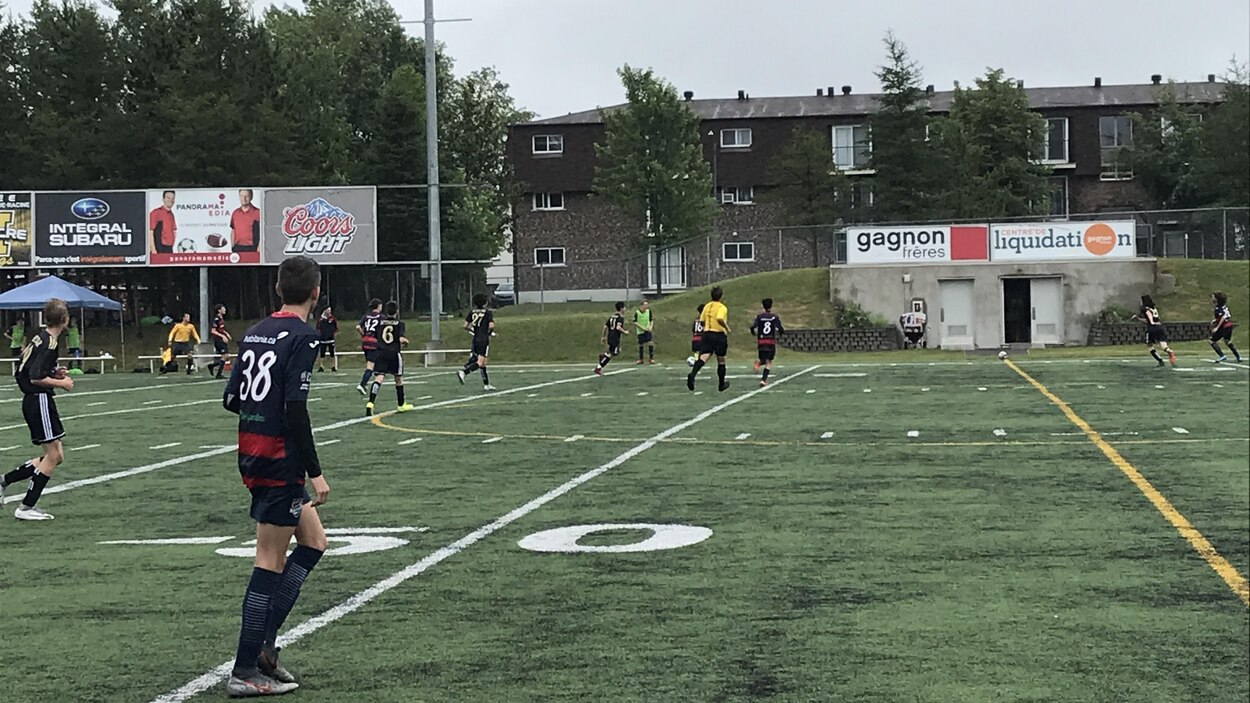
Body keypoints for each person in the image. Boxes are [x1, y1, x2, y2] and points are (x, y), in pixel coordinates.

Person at [222, 255, 330, 697]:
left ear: (277, 289)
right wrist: (315, 473)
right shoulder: (305, 337)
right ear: (316, 293)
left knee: (314, 542)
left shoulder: (254, 332)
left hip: (252, 449)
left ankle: (264, 648)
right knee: (269, 560)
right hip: (278, 457)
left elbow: (231, 398)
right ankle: (246, 666)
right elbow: (294, 408)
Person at [0, 298, 74, 521]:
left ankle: (4, 480)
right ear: (64, 320)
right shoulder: (49, 342)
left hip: (36, 399)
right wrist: (61, 383)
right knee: (52, 455)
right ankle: (26, 507)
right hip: (38, 399)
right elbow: (35, 376)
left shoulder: (39, 338)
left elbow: (28, 367)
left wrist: (54, 372)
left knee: (56, 455)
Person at [365, 301, 414, 416]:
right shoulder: (399, 323)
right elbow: (401, 339)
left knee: (379, 377)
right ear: (397, 311)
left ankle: (370, 403)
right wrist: (406, 342)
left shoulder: (380, 323)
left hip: (381, 352)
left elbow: (376, 336)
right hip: (393, 353)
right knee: (398, 378)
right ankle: (401, 404)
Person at [688, 286, 730, 392]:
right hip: (719, 334)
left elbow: (702, 321)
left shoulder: (707, 306)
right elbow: (720, 318)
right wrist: (726, 327)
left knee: (704, 356)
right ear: (721, 296)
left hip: (707, 334)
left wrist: (707, 326)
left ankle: (693, 374)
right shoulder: (722, 307)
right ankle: (721, 384)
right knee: (721, 360)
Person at [457, 294, 496, 391]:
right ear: (485, 302)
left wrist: (474, 330)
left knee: (483, 363)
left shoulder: (472, 312)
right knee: (480, 362)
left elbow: (465, 325)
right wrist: (489, 333)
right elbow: (491, 325)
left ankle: (486, 384)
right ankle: (464, 372)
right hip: (483, 339)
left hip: (476, 338)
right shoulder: (487, 313)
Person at [1132, 294, 1176, 368]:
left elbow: (1149, 317)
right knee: (1163, 345)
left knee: (1149, 345)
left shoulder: (1145, 308)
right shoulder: (1154, 308)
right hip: (1160, 327)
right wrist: (1138, 319)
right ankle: (1169, 351)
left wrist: (1152, 322)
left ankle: (1160, 361)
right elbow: (1148, 320)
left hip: (1152, 328)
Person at [751, 298, 784, 387]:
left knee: (763, 359)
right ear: (771, 305)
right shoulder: (774, 317)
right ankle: (763, 380)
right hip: (770, 341)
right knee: (769, 361)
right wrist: (781, 333)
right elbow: (780, 328)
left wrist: (753, 333)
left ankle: (758, 364)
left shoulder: (760, 317)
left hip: (761, 341)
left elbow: (752, 326)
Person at [355, 299, 383, 395]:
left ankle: (367, 380)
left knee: (371, 363)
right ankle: (362, 384)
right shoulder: (381, 317)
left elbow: (358, 327)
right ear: (378, 306)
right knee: (370, 366)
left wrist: (363, 335)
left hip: (365, 342)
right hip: (374, 343)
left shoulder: (366, 316)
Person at [594, 302, 629, 375]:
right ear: (621, 308)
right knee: (612, 353)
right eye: (624, 307)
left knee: (615, 352)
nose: (625, 309)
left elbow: (605, 326)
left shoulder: (612, 317)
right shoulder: (620, 318)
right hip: (615, 337)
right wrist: (625, 332)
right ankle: (599, 367)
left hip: (610, 336)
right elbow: (618, 327)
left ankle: (603, 357)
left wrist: (603, 336)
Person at [1209, 291, 1241, 363]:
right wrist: (1215, 320)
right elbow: (1226, 316)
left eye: (1213, 297)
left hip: (1224, 327)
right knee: (1227, 341)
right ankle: (1238, 356)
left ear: (1217, 299)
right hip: (1228, 325)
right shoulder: (1223, 306)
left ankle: (1222, 355)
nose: (1212, 298)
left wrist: (1217, 327)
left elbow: (1223, 317)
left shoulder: (1218, 308)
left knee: (1212, 341)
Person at [231, 189, 261, 253]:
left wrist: (260, 246)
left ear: (251, 197)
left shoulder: (258, 212)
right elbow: (233, 230)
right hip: (237, 248)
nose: (244, 199)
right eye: (241, 196)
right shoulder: (235, 213)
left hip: (253, 248)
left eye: (246, 196)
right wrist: (232, 245)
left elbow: (263, 232)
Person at [207, 304, 232, 379]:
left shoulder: (221, 319)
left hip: (221, 339)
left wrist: (226, 334)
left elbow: (220, 329)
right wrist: (222, 336)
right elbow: (213, 331)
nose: (225, 310)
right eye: (223, 308)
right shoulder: (216, 319)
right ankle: (218, 374)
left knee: (224, 356)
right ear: (219, 310)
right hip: (218, 340)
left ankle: (212, 366)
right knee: (225, 356)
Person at [149, 190, 177, 254]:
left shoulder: (171, 215)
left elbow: (174, 231)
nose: (171, 200)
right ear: (163, 199)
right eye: (168, 198)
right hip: (159, 248)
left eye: (173, 198)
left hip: (169, 249)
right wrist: (153, 249)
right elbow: (150, 231)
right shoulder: (156, 213)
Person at [316, 307, 339, 372]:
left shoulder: (332, 319)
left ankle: (333, 366)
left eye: (330, 310)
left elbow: (336, 327)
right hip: (323, 339)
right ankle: (321, 366)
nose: (329, 311)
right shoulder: (320, 319)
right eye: (328, 310)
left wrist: (334, 333)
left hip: (330, 339)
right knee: (322, 354)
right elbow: (318, 328)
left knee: (332, 353)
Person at [633, 300, 655, 365]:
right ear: (641, 305)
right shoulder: (637, 312)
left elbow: (651, 320)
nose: (646, 306)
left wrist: (650, 327)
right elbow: (635, 322)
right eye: (645, 305)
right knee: (641, 344)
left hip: (647, 330)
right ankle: (641, 359)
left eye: (647, 305)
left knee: (650, 343)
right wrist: (642, 328)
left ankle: (651, 358)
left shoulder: (648, 311)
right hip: (640, 331)